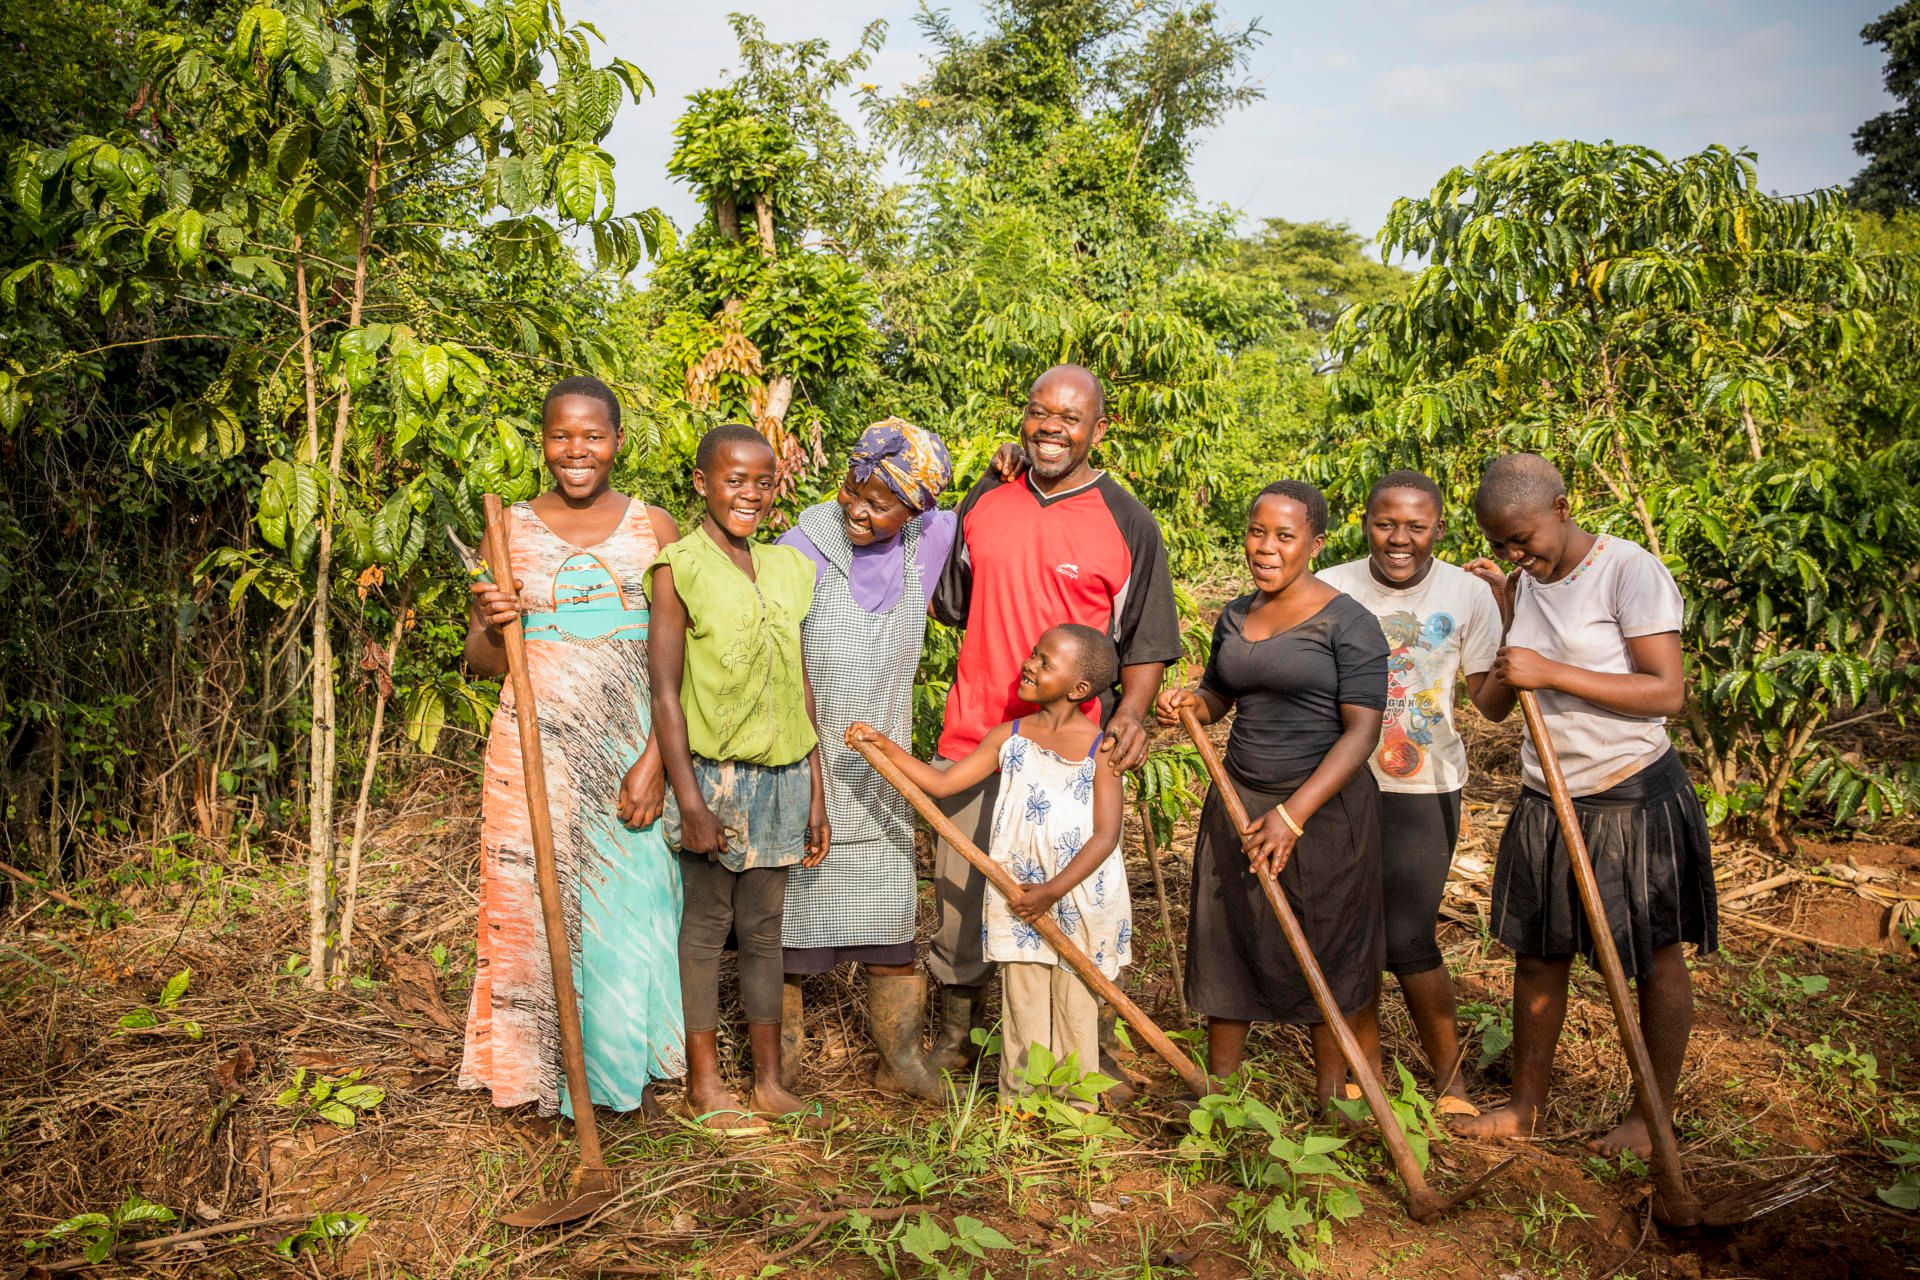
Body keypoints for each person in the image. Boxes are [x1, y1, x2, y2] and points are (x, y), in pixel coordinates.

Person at [1454, 453, 1715, 1160]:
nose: (1513, 554)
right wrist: (1508, 632)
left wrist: (1552, 670)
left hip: (1630, 793)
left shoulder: (1628, 571)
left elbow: (1666, 692)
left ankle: (1648, 1118)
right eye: (1499, 544)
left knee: (1654, 958)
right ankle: (1524, 1106)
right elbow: (1504, 701)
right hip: (1548, 794)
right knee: (1539, 958)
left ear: (1563, 508)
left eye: (1522, 539)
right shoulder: (1524, 584)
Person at [928, 364, 1180, 1076]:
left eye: (1070, 418)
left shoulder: (1127, 521)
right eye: (1040, 411)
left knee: (1070, 903)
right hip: (976, 735)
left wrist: (1132, 713)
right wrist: (982, 480)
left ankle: (1085, 1047)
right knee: (962, 897)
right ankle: (957, 1041)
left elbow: (1148, 638)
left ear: (1098, 430)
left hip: (1069, 758)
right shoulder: (989, 501)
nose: (1050, 427)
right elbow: (949, 601)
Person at [458, 375, 686, 1121]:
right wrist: (493, 619)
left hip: (631, 745)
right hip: (535, 743)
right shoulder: (508, 529)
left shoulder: (655, 526)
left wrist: (658, 758)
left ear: (618, 441)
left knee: (634, 902)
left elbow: (682, 653)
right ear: (544, 442)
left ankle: (624, 1075)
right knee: (531, 902)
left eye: (593, 435)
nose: (576, 450)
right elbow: (485, 661)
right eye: (561, 435)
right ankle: (536, 1077)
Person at [1155, 480, 1390, 1109]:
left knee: (1326, 945)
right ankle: (1221, 1098)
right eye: (1258, 531)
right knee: (1228, 933)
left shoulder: (1350, 622)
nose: (1266, 547)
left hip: (1321, 811)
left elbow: (1362, 731)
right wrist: (1189, 704)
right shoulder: (1234, 614)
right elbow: (1219, 696)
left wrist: (1294, 814)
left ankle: (1331, 1099)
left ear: (1314, 543)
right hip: (1239, 801)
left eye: (1285, 536)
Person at [850, 624, 1130, 1112]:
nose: (1029, 664)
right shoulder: (1010, 738)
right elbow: (943, 784)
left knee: (1076, 1003)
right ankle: (1020, 1107)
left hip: (1080, 896)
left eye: (1045, 662)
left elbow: (1105, 836)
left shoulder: (1102, 750)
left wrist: (1054, 889)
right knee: (1022, 998)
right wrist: (885, 748)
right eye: (1033, 654)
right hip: (1018, 893)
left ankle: (1074, 1110)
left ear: (1079, 689)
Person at [645, 424, 833, 1136]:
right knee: (705, 929)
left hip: (786, 773)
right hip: (713, 777)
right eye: (734, 480)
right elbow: (665, 691)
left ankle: (769, 1082)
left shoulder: (788, 569)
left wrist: (816, 788)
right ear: (701, 483)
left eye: (763, 481)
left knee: (764, 929)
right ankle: (703, 1085)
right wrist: (687, 797)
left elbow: (800, 682)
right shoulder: (678, 567)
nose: (749, 493)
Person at [775, 418, 957, 1101]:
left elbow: (992, 511)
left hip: (884, 772)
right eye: (855, 485)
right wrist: (803, 776)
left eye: (883, 503)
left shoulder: (927, 542)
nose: (859, 506)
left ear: (917, 511)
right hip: (805, 765)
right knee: (789, 930)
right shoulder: (803, 546)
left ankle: (899, 1063)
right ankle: (782, 1071)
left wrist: (1012, 462)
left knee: (888, 927)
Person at [1318, 470, 1503, 1104]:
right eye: (1385, 524)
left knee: (1409, 936)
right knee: (1352, 934)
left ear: (1439, 529)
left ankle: (1450, 1078)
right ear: (1364, 522)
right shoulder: (1330, 587)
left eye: (1416, 527)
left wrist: (1516, 629)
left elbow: (1493, 703)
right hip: (1340, 783)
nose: (1400, 539)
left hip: (1426, 785)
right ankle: (1360, 1076)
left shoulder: (1469, 593)